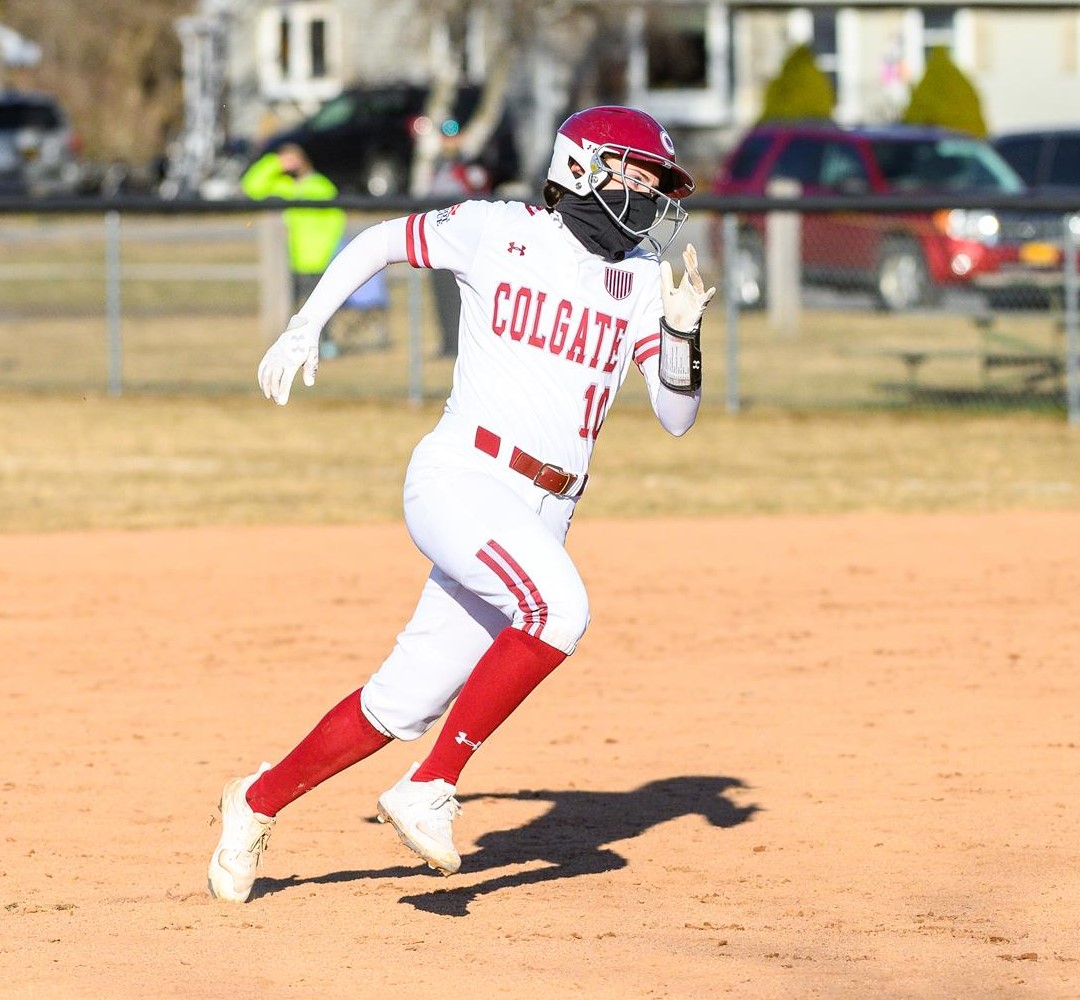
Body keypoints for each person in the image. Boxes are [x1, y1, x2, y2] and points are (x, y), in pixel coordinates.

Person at [209, 106, 716, 903]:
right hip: (463, 476)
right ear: (579, 167)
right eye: (635, 171)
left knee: (401, 700)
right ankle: (432, 784)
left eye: (657, 180)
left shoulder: (645, 279)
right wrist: (308, 324)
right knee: (559, 610)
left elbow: (677, 418)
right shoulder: (500, 229)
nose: (649, 191)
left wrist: (683, 335)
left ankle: (255, 800)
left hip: (548, 508)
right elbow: (381, 239)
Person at [240, 142, 346, 302]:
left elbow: (336, 221)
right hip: (288, 261)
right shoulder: (281, 186)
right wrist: (275, 163)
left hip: (318, 260)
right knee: (288, 309)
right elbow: (251, 186)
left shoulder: (321, 186)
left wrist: (328, 250)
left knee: (317, 310)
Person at [427, 134, 494, 358]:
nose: (448, 143)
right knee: (443, 296)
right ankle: (448, 343)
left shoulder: (471, 168)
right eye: (445, 137)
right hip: (440, 243)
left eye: (453, 137)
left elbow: (481, 193)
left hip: (466, 245)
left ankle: (461, 345)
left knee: (464, 298)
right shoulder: (436, 167)